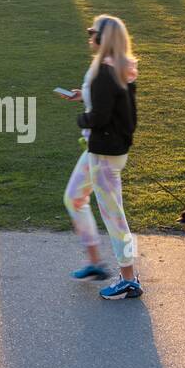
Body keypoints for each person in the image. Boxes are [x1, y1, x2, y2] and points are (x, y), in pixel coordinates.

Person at [61, 15, 141, 300]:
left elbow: (100, 115)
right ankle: (96, 263)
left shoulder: (106, 72)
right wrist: (82, 95)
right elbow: (109, 101)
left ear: (103, 38)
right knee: (74, 198)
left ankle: (129, 279)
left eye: (92, 32)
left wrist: (82, 118)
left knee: (114, 216)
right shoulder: (115, 67)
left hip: (104, 155)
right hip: (101, 151)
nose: (89, 36)